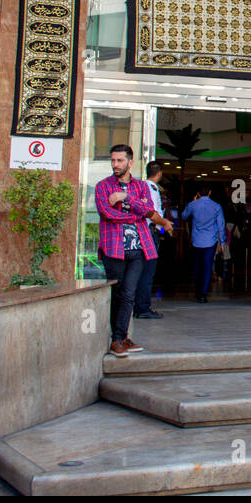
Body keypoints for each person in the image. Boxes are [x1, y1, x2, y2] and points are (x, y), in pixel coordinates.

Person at [95, 144, 159, 357]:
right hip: (114, 249)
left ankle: (120, 338)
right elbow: (107, 213)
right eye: (113, 160)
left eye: (120, 161)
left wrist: (125, 198)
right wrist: (136, 215)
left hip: (139, 249)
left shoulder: (141, 186)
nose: (115, 165)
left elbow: (149, 210)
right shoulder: (103, 186)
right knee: (117, 294)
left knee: (129, 294)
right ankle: (117, 337)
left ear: (130, 163)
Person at [134, 161, 173, 320]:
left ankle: (138, 306)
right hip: (150, 233)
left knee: (141, 271)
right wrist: (165, 225)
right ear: (159, 173)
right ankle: (143, 308)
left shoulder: (141, 186)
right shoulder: (152, 188)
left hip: (144, 232)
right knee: (148, 272)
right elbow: (154, 213)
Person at [181, 188, 226, 303]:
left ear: (198, 193)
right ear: (210, 192)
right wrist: (222, 242)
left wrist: (192, 202)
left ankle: (197, 291)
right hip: (210, 240)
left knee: (197, 266)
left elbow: (184, 216)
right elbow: (221, 225)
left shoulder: (193, 205)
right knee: (207, 267)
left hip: (196, 240)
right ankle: (203, 294)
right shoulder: (216, 206)